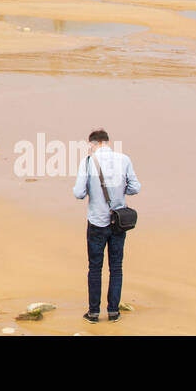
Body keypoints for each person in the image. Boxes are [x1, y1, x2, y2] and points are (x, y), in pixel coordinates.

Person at [73, 128, 141, 323]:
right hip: (119, 222)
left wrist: (91, 190)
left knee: (95, 268)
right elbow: (136, 187)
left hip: (97, 221)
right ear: (108, 142)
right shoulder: (124, 159)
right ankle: (113, 312)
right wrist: (119, 191)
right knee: (116, 268)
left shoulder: (88, 162)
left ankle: (93, 313)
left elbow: (78, 193)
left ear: (92, 144)